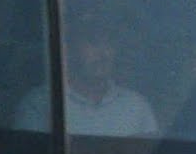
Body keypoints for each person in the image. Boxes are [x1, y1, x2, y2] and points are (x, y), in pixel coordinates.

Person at [13, 25, 159, 137]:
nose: (103, 54)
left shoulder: (136, 106)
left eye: (109, 44)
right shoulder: (41, 103)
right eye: (93, 43)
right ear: (70, 50)